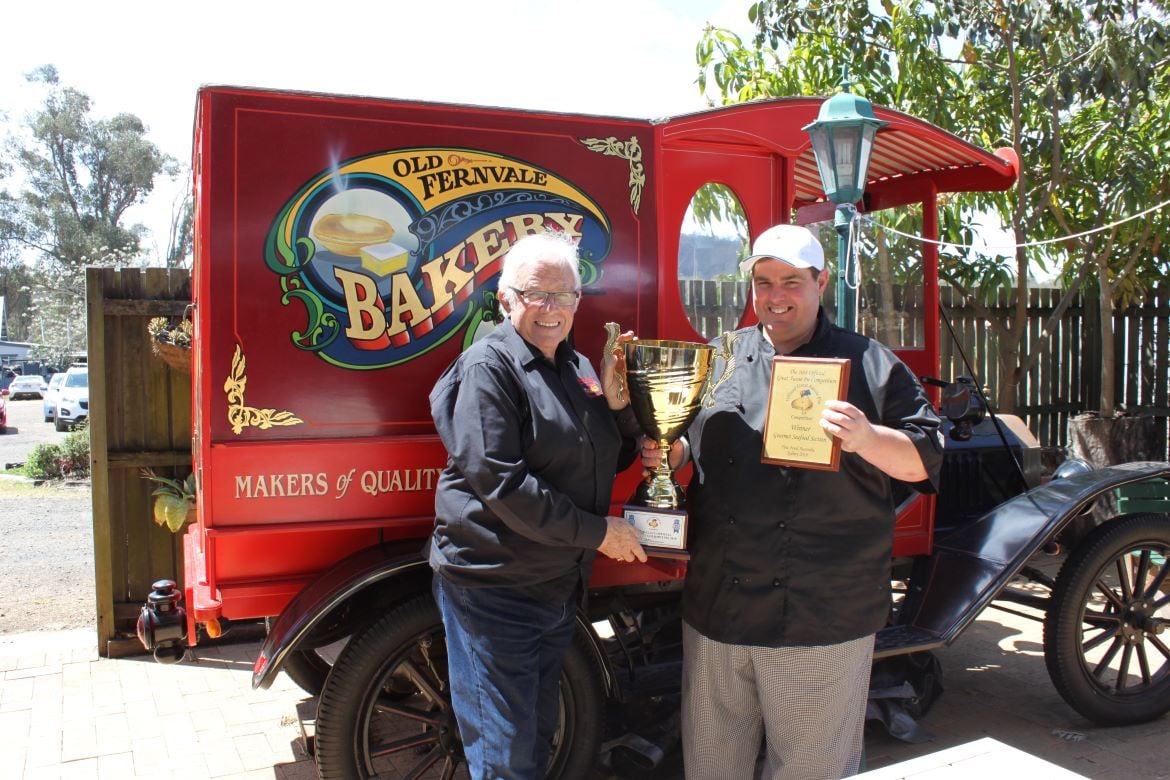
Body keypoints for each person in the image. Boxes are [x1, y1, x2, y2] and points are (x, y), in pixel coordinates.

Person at [645, 223, 943, 779]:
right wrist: (671, 453)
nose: (774, 297)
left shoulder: (870, 364)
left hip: (819, 617)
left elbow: (925, 461)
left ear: (821, 281)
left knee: (810, 770)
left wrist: (865, 437)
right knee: (713, 767)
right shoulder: (721, 358)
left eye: (790, 282)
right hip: (719, 609)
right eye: (762, 283)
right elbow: (697, 449)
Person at [428, 231, 647, 779]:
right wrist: (600, 534)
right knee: (505, 756)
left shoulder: (576, 368)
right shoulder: (489, 368)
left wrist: (621, 409)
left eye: (565, 295)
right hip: (494, 589)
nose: (552, 309)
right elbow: (501, 483)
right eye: (537, 294)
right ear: (507, 299)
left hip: (552, 585)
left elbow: (605, 458)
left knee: (532, 740)